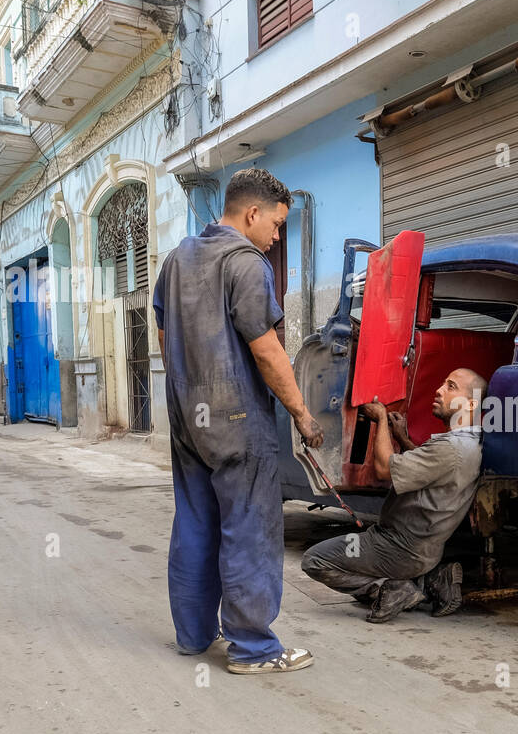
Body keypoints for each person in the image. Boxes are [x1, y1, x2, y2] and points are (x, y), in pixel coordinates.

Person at [153, 168, 324, 675]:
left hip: (187, 415)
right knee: (249, 527)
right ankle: (253, 648)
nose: (276, 237)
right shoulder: (246, 264)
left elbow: (164, 335)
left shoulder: (177, 259)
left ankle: (193, 636)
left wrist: (189, 384)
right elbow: (267, 349)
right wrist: (301, 414)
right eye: (276, 225)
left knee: (195, 520)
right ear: (252, 213)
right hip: (237, 417)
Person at [301, 368, 486, 623]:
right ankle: (432, 580)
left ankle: (390, 589)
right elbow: (429, 468)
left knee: (315, 560)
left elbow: (383, 469)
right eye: (443, 383)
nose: (439, 390)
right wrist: (401, 437)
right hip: (426, 550)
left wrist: (381, 419)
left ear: (471, 403)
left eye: (451, 386)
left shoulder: (450, 448)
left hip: (395, 548)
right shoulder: (470, 443)